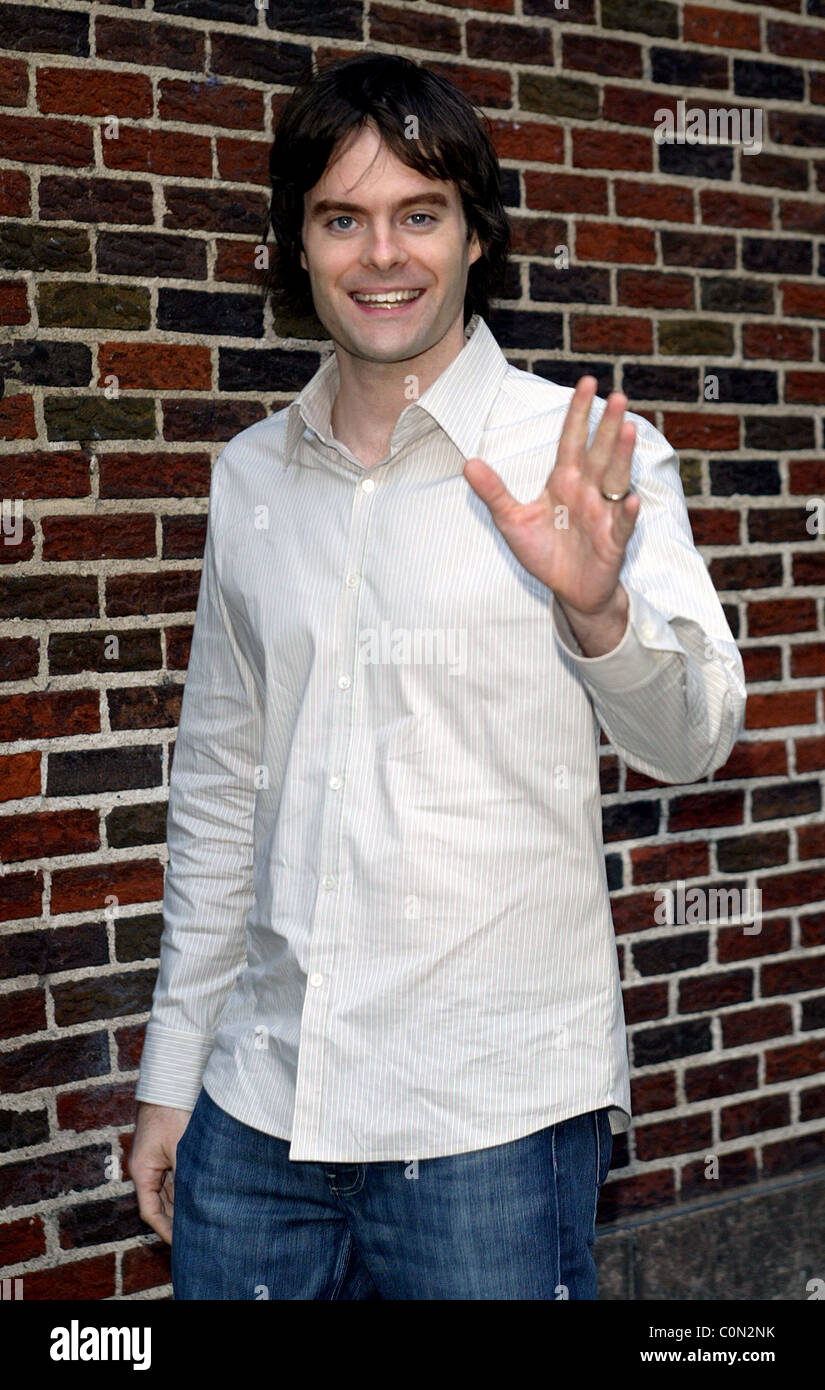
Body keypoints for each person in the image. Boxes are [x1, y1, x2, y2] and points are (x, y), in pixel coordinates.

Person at [128, 53, 746, 1300]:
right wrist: (169, 1073)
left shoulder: (587, 457)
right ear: (297, 245)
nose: (382, 256)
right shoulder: (250, 479)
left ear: (475, 236)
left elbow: (697, 737)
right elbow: (219, 790)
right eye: (341, 218)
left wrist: (599, 607)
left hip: (490, 1124)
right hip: (260, 1113)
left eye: (420, 214)